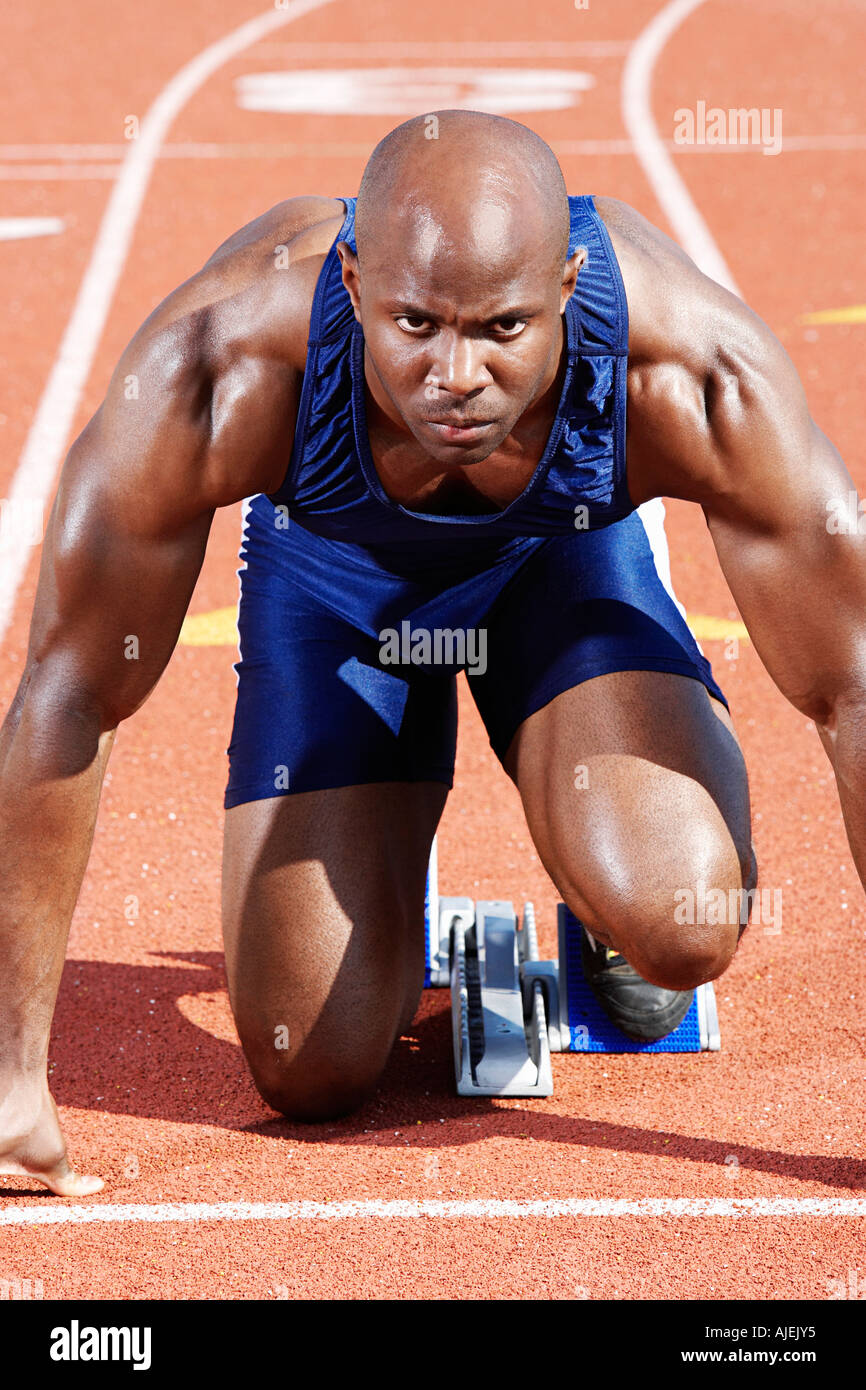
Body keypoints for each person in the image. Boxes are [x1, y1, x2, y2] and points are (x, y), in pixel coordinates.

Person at [1, 110, 862, 1198]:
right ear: (352, 284)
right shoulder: (221, 368)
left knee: (681, 928)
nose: (454, 374)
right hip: (339, 585)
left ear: (566, 287)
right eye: (416, 323)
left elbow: (851, 687)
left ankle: (598, 888)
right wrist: (9, 1079)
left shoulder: (689, 373)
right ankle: (387, 861)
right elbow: (71, 692)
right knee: (308, 1063)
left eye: (501, 327)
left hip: (557, 566)